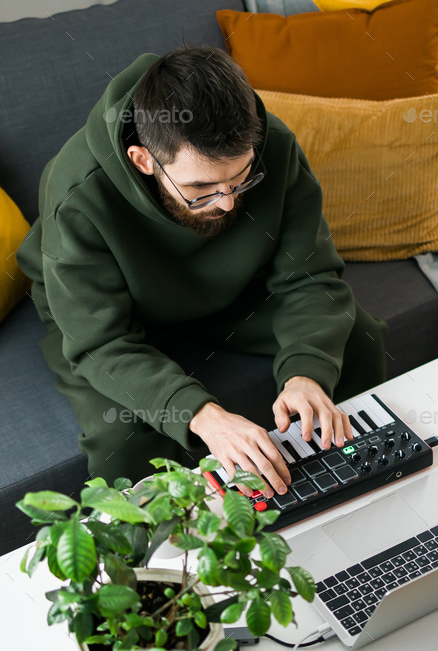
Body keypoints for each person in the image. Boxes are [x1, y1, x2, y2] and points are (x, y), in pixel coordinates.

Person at [17, 45, 388, 498]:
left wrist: (306, 374)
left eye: (240, 179)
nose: (228, 203)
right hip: (105, 320)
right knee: (121, 440)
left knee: (358, 339)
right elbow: (100, 343)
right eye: (200, 188)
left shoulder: (276, 145)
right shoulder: (77, 194)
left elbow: (309, 278)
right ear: (144, 160)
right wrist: (203, 415)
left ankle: (357, 487)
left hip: (231, 292)